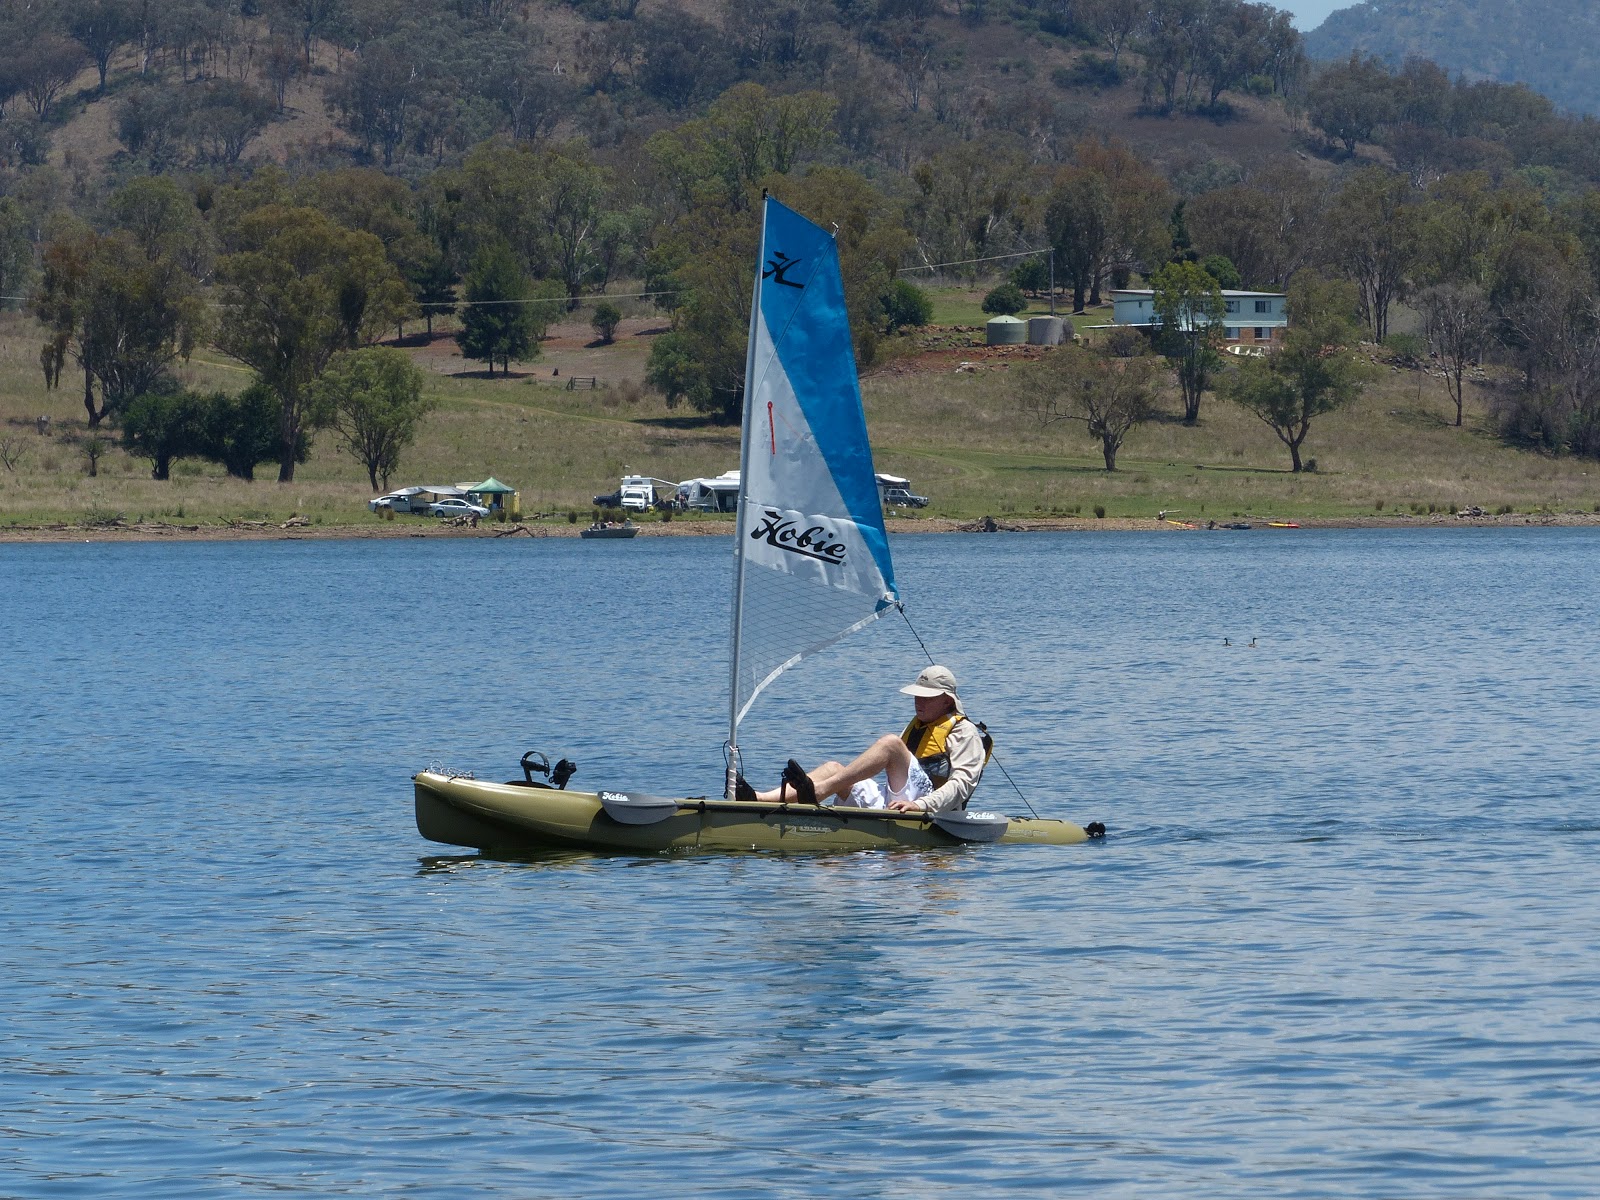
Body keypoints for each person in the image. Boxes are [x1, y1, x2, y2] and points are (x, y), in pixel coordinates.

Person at [745, 665, 988, 813]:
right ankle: (758, 800)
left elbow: (962, 785)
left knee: (891, 743)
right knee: (832, 768)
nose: (918, 702)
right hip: (898, 798)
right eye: (917, 696)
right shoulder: (919, 725)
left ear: (947, 700)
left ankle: (816, 792)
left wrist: (923, 805)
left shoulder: (964, 732)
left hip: (934, 809)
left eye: (927, 697)